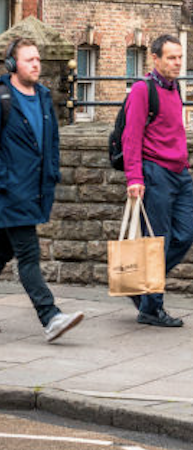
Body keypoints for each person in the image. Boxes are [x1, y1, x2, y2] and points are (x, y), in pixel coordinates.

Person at [0, 38, 84, 342]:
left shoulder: (45, 96)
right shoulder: (3, 98)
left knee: (4, 250)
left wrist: (52, 173)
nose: (36, 64)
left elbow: (52, 141)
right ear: (12, 65)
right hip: (10, 191)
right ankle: (50, 317)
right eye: (28, 60)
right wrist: (4, 179)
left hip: (35, 190)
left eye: (37, 59)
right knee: (28, 253)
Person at [122, 33, 193, 328]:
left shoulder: (175, 88)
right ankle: (152, 308)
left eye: (180, 57)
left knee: (185, 236)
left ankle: (142, 288)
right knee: (157, 243)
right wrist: (134, 178)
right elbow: (131, 136)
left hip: (180, 173)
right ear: (156, 59)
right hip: (155, 173)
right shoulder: (143, 90)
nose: (177, 63)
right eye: (171, 58)